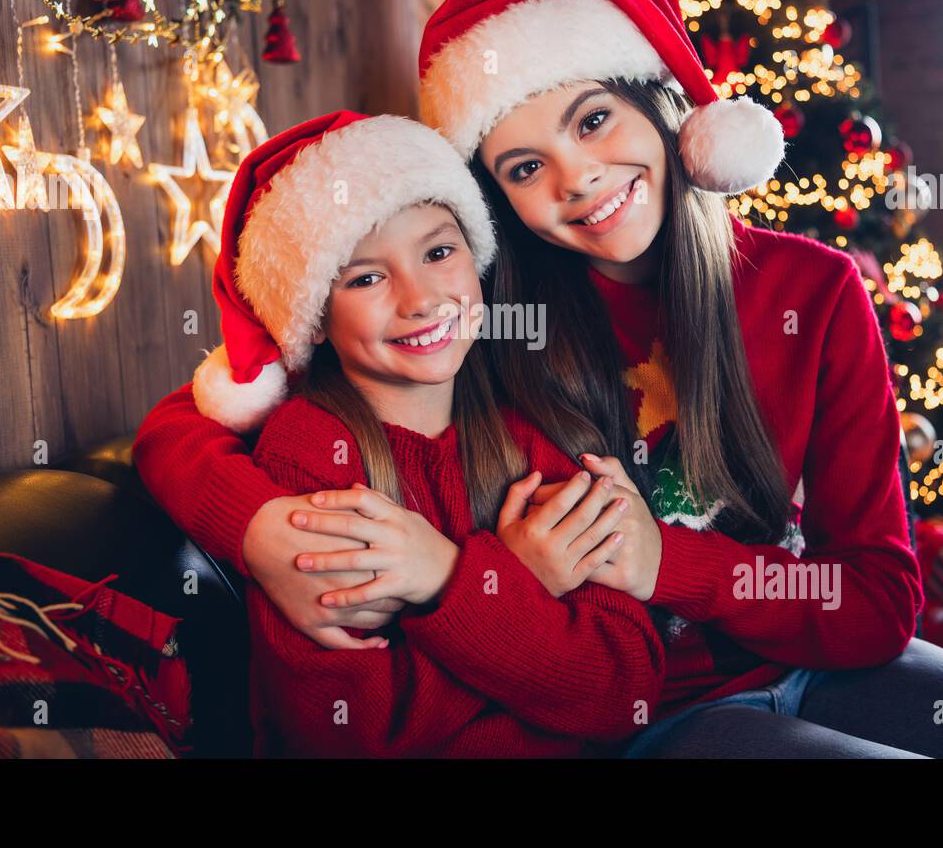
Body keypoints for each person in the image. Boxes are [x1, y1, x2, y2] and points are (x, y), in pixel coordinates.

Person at [136, 0, 943, 757]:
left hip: (817, 662)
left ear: (667, 109)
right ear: (499, 198)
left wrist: (668, 560)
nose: (578, 184)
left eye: (593, 120)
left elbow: (877, 603)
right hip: (642, 714)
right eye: (526, 167)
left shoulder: (812, 294)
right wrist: (259, 524)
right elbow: (187, 424)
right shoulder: (488, 307)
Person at [199, 110, 662, 756]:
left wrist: (448, 577)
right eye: (366, 277)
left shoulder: (524, 430)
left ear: (476, 258)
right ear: (315, 318)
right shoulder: (311, 457)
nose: (420, 299)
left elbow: (624, 687)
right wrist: (512, 584)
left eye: (440, 252)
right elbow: (350, 735)